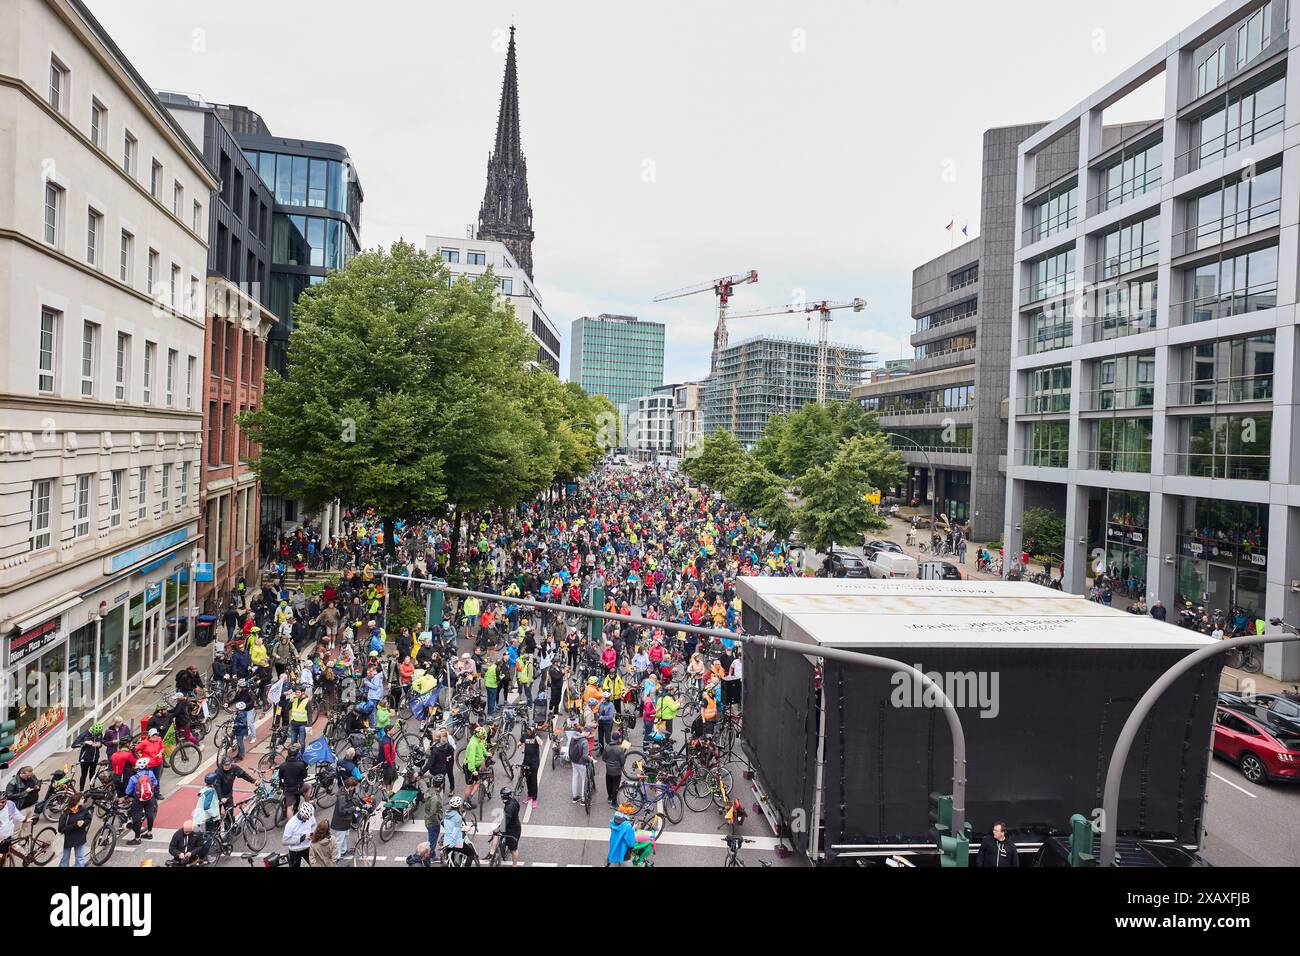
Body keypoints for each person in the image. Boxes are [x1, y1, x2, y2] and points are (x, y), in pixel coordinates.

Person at [124, 758, 158, 844]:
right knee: (150, 815)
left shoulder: (133, 778)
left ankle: (137, 838)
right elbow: (155, 783)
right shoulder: (150, 773)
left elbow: (128, 791)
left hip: (138, 800)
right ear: (146, 766)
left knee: (137, 819)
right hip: (150, 798)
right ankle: (149, 833)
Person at [488, 787, 522, 866]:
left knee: (513, 850)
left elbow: (506, 820)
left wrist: (495, 830)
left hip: (513, 830)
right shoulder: (514, 801)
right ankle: (492, 851)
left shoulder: (509, 808)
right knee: (496, 833)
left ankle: (514, 865)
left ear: (502, 797)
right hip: (513, 826)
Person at [57, 791, 92, 867]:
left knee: (80, 858)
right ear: (77, 800)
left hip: (79, 838)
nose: (84, 800)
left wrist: (84, 822)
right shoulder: (66, 813)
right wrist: (76, 825)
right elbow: (61, 829)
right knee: (65, 860)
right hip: (67, 840)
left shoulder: (83, 809)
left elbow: (88, 818)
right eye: (82, 798)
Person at [441, 795, 477, 865]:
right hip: (455, 842)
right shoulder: (457, 817)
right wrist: (465, 828)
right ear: (459, 806)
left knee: (450, 858)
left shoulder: (448, 813)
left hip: (447, 841)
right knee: (471, 854)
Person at [281, 802, 315, 868]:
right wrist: (301, 838)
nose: (307, 819)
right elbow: (284, 841)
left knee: (315, 865)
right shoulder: (291, 824)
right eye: (305, 818)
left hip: (308, 848)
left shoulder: (310, 816)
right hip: (295, 851)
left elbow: (313, 824)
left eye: (308, 817)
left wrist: (312, 833)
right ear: (301, 814)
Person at [421, 773, 446, 853]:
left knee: (432, 840)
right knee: (432, 841)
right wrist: (441, 821)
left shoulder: (431, 790)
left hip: (429, 821)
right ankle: (431, 856)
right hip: (433, 823)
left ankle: (431, 854)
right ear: (441, 784)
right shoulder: (435, 798)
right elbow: (433, 813)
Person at [603, 730, 627, 807]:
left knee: (609, 784)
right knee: (615, 786)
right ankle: (614, 801)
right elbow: (623, 761)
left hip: (608, 770)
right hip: (617, 771)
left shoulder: (607, 747)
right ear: (618, 739)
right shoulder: (620, 749)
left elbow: (604, 758)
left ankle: (609, 797)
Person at [569, 725, 591, 804]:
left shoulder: (574, 736)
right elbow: (585, 756)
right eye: (589, 733)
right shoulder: (584, 742)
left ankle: (574, 797)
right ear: (587, 732)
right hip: (580, 762)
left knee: (575, 777)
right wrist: (590, 759)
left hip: (573, 760)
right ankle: (583, 799)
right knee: (584, 779)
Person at [520, 728, 540, 809]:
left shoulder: (536, 736)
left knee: (533, 780)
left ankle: (534, 799)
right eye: (527, 730)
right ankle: (529, 795)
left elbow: (541, 743)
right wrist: (519, 744)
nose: (528, 732)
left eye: (530, 730)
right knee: (528, 779)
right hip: (526, 761)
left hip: (534, 762)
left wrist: (535, 735)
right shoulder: (525, 735)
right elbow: (520, 741)